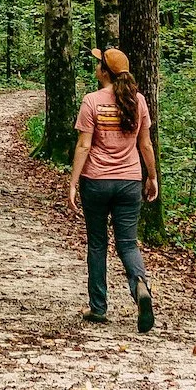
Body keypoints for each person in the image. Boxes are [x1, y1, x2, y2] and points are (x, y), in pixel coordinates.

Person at [66, 46, 159, 332]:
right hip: (130, 181)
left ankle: (98, 307)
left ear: (105, 72)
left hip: (96, 181)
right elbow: (145, 143)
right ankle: (140, 286)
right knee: (128, 243)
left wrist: (72, 183)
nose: (95, 68)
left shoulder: (91, 101)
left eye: (98, 64)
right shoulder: (137, 100)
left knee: (97, 243)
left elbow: (84, 145)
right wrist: (151, 176)